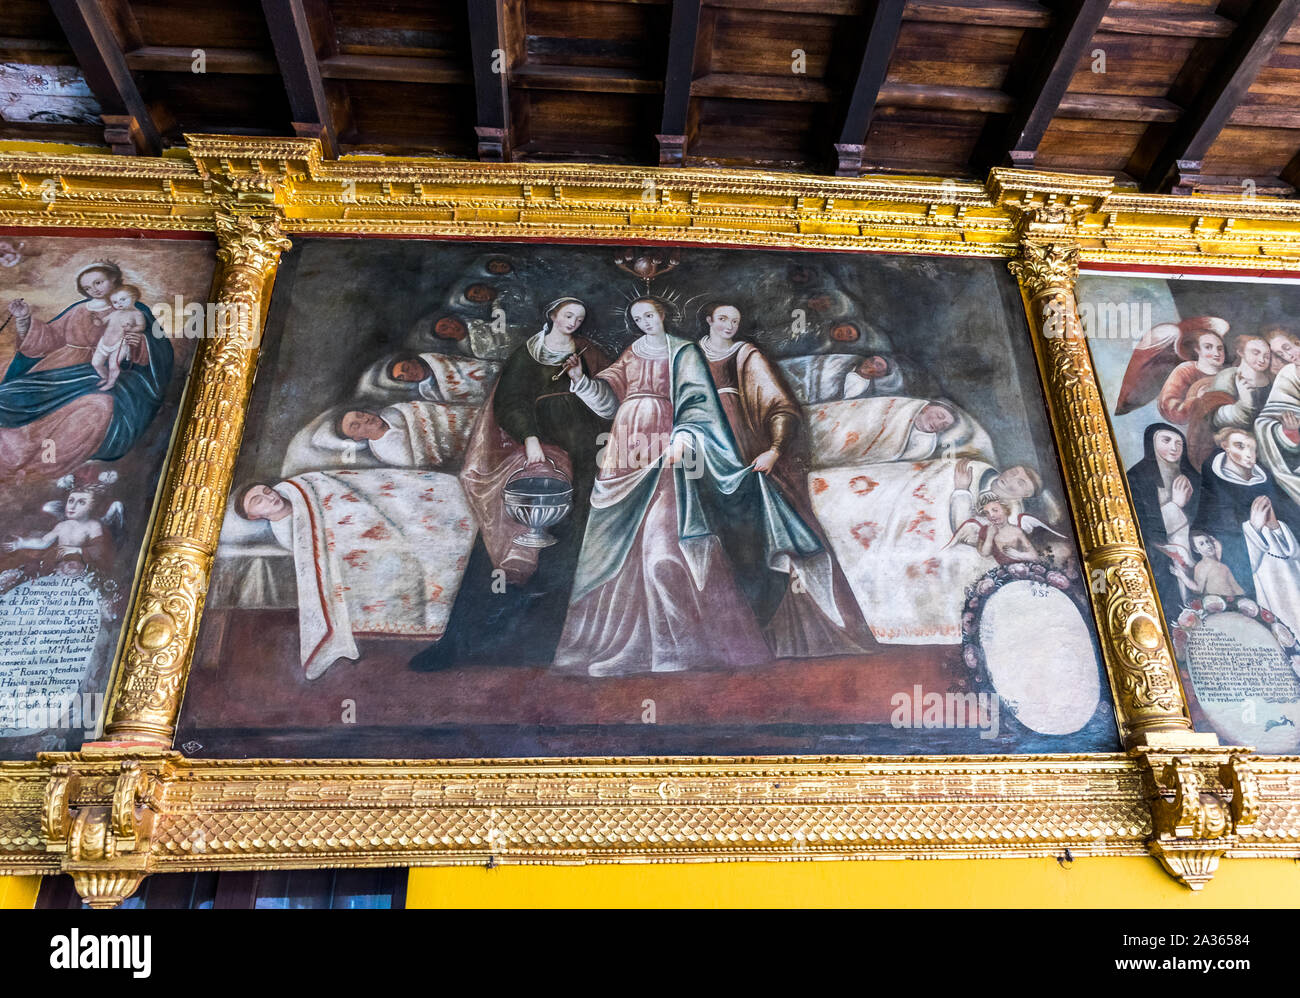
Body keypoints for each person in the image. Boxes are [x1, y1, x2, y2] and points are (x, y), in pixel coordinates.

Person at [554, 296, 834, 675]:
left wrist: (685, 436)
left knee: (663, 554)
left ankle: (679, 649)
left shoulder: (684, 352)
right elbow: (606, 404)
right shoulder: (630, 355)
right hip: (625, 454)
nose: (644, 322)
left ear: (663, 314)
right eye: (637, 318)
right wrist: (580, 381)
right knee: (619, 557)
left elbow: (701, 407)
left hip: (671, 456)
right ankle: (627, 649)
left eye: (650, 315)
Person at [409, 296, 611, 671]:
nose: (573, 321)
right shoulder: (527, 353)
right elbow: (510, 400)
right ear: (552, 315)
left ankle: (544, 647)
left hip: (584, 456)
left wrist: (582, 382)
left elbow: (612, 403)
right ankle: (469, 644)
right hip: (536, 455)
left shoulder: (589, 353)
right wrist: (530, 438)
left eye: (580, 317)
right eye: (567, 314)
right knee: (506, 535)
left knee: (569, 541)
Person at [695, 300, 875, 657]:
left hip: (745, 458)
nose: (730, 325)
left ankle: (767, 633)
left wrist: (774, 449)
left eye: (736, 319)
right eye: (723, 319)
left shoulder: (746, 356)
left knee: (755, 542)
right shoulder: (688, 355)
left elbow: (780, 406)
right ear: (709, 320)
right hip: (698, 460)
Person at [1, 262, 172, 482]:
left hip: (117, 370)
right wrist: (24, 318)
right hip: (61, 368)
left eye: (98, 282)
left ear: (114, 280)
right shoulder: (80, 309)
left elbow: (158, 351)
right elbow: (50, 338)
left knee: (98, 405)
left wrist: (138, 343)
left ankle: (39, 468)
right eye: (88, 288)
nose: (94, 290)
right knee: (15, 394)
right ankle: (13, 456)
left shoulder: (136, 310)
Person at [1195, 426, 1300, 606]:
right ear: (1225, 447)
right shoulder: (1215, 486)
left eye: (1253, 448)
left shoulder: (1266, 480)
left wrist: (1276, 527)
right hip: (1257, 574)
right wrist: (1253, 529)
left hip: (1286, 565)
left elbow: (1292, 519)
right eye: (1240, 446)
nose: (1250, 454)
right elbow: (1219, 539)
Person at [1125, 423, 1199, 621]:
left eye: (1178, 443)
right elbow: (1142, 528)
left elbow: (1203, 520)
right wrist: (1175, 504)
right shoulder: (1136, 477)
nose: (1174, 448)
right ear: (1151, 444)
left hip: (1193, 550)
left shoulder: (1193, 478)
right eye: (1166, 440)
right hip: (1159, 556)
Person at [1155, 326, 1225, 425]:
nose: (1216, 353)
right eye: (1208, 347)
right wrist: (1198, 401)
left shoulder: (1228, 373)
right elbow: (1169, 408)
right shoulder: (1185, 371)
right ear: (1197, 350)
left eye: (1220, 348)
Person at [92, 285, 146, 391]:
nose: (119, 304)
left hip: (120, 344)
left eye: (123, 299)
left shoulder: (137, 314)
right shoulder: (114, 313)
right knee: (96, 363)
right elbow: (102, 322)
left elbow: (141, 327)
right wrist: (97, 321)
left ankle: (111, 383)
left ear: (134, 298)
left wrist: (131, 328)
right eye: (115, 302)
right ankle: (105, 377)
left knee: (113, 366)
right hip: (104, 343)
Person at [1172, 529, 1245, 599]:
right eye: (1202, 544)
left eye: (1207, 542)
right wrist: (1183, 576)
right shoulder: (1201, 566)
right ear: (1196, 550)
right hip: (1216, 605)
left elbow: (1237, 588)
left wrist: (1243, 598)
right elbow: (1198, 589)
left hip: (1233, 602)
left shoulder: (1223, 566)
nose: (1208, 546)